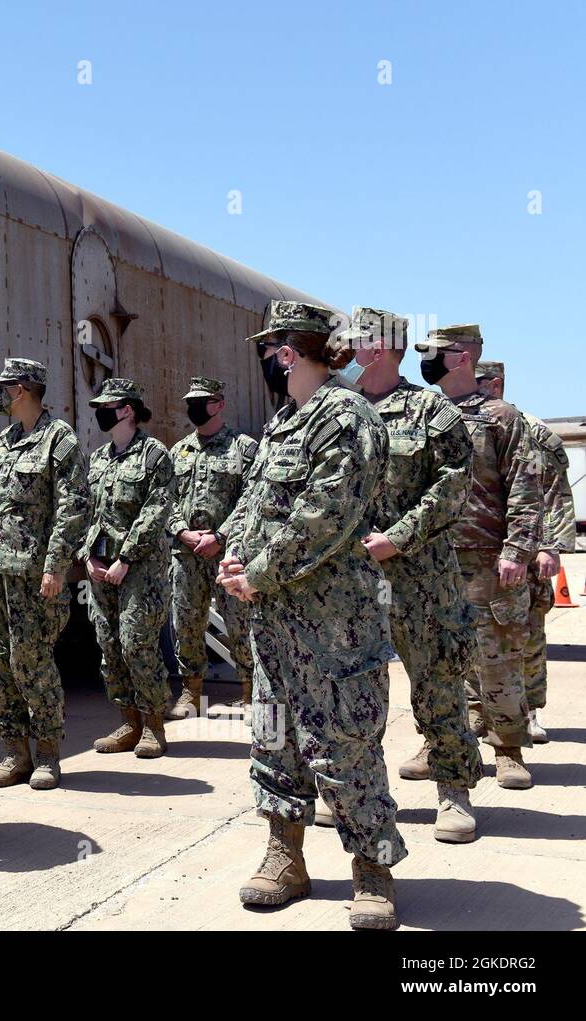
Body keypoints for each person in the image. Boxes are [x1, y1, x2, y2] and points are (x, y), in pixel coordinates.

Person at [219, 299, 405, 930]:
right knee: (274, 741)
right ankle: (285, 858)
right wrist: (232, 551)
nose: (267, 361)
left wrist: (258, 571)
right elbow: (254, 499)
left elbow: (325, 516)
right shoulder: (283, 423)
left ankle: (372, 872)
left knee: (346, 745)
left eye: (270, 350)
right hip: (272, 623)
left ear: (288, 351)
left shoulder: (346, 417)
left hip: (334, 626)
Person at [311, 307, 482, 844]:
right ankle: (357, 796)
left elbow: (453, 487)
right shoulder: (338, 412)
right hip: (353, 585)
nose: (344, 354)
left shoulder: (431, 411)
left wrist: (399, 537)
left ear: (379, 348)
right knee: (354, 693)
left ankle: (454, 793)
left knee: (437, 688)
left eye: (355, 342)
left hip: (421, 582)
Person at [417, 328, 543, 788]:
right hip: (431, 559)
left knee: (497, 656)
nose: (426, 362)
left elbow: (526, 489)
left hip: (487, 558)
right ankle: (438, 742)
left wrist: (517, 550)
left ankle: (508, 747)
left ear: (465, 357)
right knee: (435, 659)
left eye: (435, 354)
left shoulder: (501, 417)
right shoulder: (424, 413)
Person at [0, 358, 90, 790]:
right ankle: (15, 753)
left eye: (3, 388)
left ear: (20, 389)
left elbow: (73, 507)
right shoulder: (3, 441)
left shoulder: (59, 440)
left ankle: (49, 755)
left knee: (32, 662)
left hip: (32, 576)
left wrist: (56, 566)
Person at [476, 361, 576, 744]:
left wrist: (550, 547)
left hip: (527, 552)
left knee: (527, 635)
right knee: (479, 639)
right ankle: (482, 714)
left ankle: (529, 711)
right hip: (484, 551)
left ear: (496, 384)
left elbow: (554, 493)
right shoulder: (465, 423)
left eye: (481, 383)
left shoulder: (533, 431)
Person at [83, 378, 174, 758]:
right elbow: (90, 513)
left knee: (138, 644)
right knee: (109, 646)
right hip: (102, 569)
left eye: (109, 405)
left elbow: (156, 511)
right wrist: (87, 554)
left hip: (140, 569)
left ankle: (154, 725)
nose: (101, 412)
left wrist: (126, 558)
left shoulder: (154, 454)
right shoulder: (99, 458)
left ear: (128, 410)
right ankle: (129, 721)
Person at [166, 376, 258, 720]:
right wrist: (182, 531)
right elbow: (166, 497)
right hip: (187, 554)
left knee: (240, 622)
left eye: (201, 401)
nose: (194, 407)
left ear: (218, 404)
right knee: (187, 622)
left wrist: (218, 536)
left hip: (228, 555)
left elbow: (251, 498)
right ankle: (191, 691)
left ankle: (250, 692)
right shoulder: (179, 450)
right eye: (190, 401)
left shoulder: (243, 448)